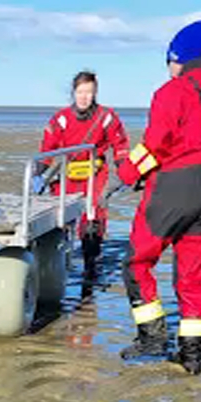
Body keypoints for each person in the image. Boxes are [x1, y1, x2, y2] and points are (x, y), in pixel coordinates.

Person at [116, 20, 201, 375]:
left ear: (178, 58)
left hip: (173, 188)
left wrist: (128, 174)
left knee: (136, 261)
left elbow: (155, 144)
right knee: (192, 276)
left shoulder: (170, 92)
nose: (169, 67)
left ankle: (153, 337)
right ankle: (191, 357)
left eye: (169, 60)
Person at [38, 71, 130, 281]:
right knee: (59, 220)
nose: (84, 97)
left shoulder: (106, 117)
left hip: (95, 175)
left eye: (89, 92)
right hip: (68, 176)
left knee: (92, 219)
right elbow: (47, 149)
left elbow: (120, 145)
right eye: (80, 92)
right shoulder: (61, 118)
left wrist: (124, 171)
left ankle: (91, 268)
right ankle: (56, 267)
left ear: (95, 93)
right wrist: (38, 173)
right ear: (74, 92)